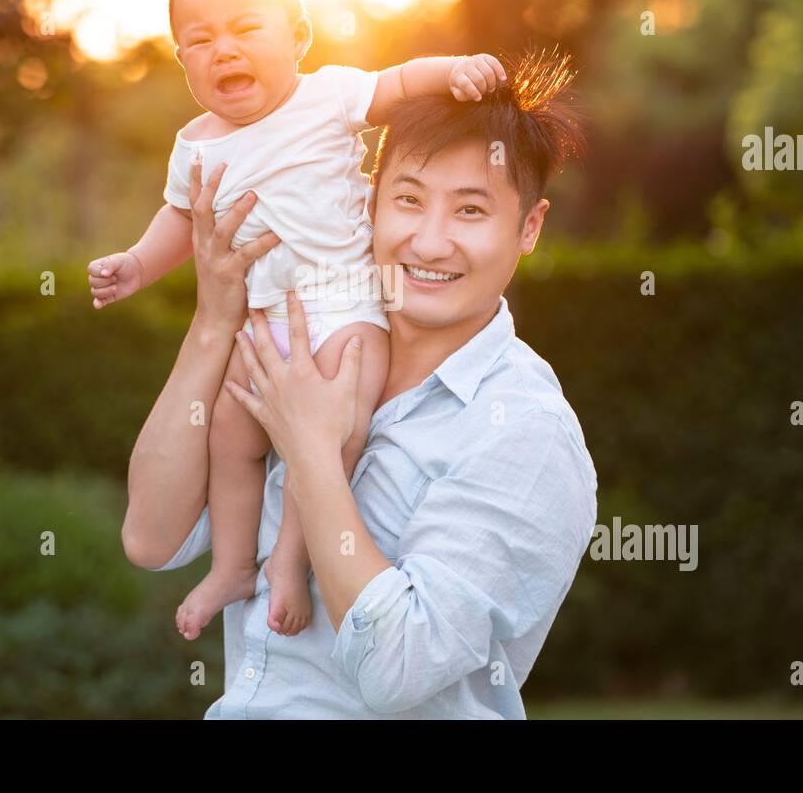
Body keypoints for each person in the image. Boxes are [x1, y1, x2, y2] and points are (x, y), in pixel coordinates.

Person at [122, 49, 598, 718]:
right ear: (370, 199)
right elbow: (152, 536)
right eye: (408, 199)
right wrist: (212, 321)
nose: (430, 243)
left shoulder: (523, 428)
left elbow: (398, 667)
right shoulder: (304, 342)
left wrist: (311, 449)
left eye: (470, 211)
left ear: (529, 228)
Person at [87, 0, 507, 641]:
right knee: (226, 430)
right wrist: (135, 263)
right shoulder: (195, 143)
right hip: (260, 322)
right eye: (201, 39)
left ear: (299, 37)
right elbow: (180, 218)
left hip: (345, 304)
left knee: (339, 426)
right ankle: (232, 564)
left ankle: (289, 559)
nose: (224, 50)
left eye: (247, 29)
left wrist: (456, 70)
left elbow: (400, 81)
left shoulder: (327, 95)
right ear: (182, 60)